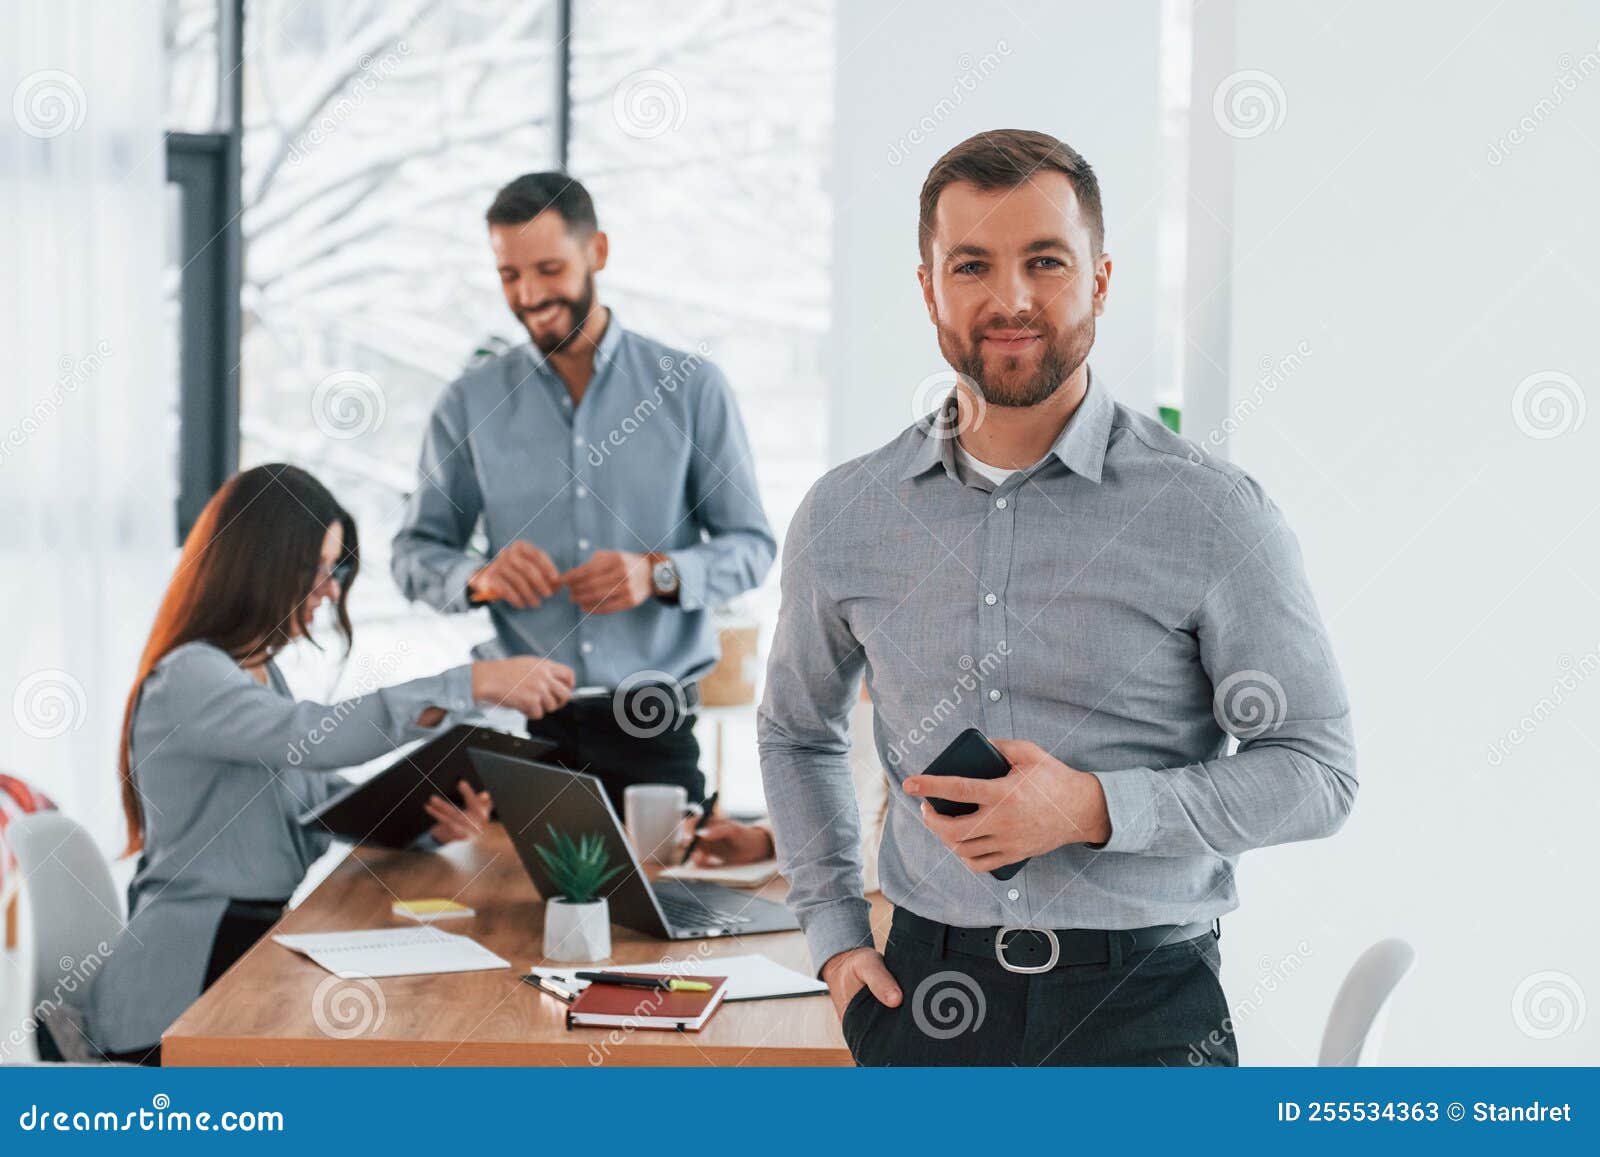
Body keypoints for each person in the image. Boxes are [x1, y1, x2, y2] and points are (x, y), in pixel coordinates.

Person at [758, 129, 1358, 1067]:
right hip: (924, 1003)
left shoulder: (1212, 513)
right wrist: (834, 936)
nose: (1011, 299)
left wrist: (1093, 806)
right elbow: (796, 730)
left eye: (1046, 260)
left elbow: (1318, 770)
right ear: (929, 288)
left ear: (1101, 279)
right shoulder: (847, 515)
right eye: (972, 265)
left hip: (1146, 1012)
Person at [85, 464, 575, 1064]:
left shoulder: (259, 673)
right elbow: (314, 738)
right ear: (258, 563)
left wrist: (426, 816)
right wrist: (466, 683)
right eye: (317, 569)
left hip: (240, 949)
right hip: (179, 986)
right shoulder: (192, 676)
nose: (331, 591)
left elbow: (315, 803)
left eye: (336, 570)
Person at [392, 172, 777, 832]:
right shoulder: (469, 401)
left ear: (597, 251)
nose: (531, 296)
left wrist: (658, 572)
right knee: (507, 923)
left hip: (652, 723)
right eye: (510, 275)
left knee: (662, 924)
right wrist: (476, 578)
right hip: (521, 727)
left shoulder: (690, 388)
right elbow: (414, 553)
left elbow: (752, 546)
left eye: (548, 268)